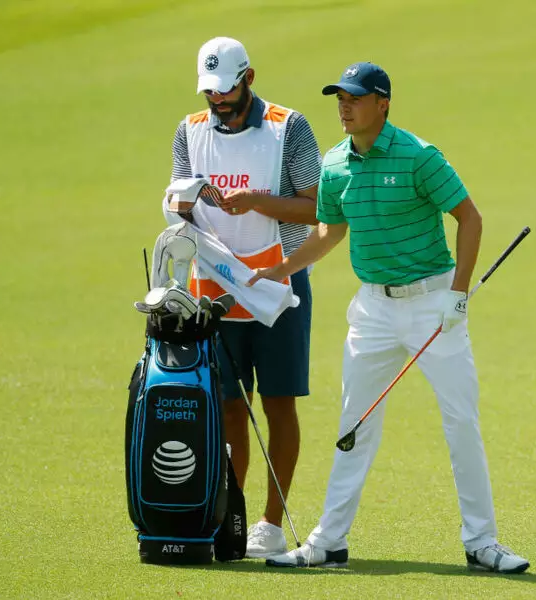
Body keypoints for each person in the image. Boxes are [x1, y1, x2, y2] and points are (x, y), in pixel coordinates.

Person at [247, 62, 529, 573]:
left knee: (460, 420)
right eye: (340, 98)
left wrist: (457, 295)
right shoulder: (334, 164)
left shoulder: (419, 156)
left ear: (383, 103)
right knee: (354, 421)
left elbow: (470, 217)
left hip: (433, 304)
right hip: (373, 310)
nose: (344, 106)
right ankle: (328, 541)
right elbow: (330, 233)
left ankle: (482, 543)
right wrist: (281, 269)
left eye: (355, 98)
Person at [163, 37, 322, 558]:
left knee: (278, 404)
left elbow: (315, 208)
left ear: (248, 78)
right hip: (213, 291)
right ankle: (225, 515)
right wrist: (182, 205)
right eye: (210, 92)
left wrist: (255, 201)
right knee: (229, 408)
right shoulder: (189, 130)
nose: (218, 102)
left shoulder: (288, 127)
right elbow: (177, 199)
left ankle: (270, 524)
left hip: (278, 287)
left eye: (227, 90)